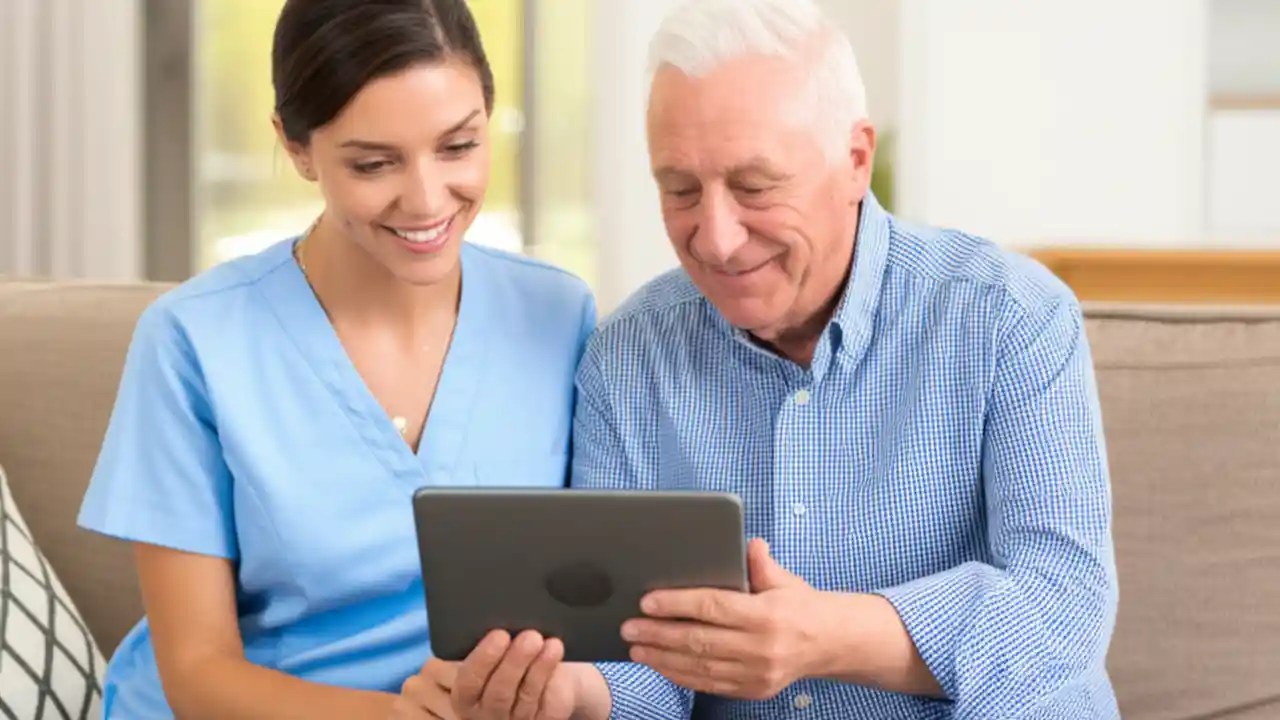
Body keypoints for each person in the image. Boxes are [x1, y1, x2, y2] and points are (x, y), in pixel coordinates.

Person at [398, 0, 1120, 718]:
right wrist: (568, 692)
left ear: (856, 160)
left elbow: (1061, 609)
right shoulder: (630, 357)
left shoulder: (1010, 317)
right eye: (680, 190)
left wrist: (833, 636)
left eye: (755, 187)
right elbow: (642, 658)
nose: (715, 238)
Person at [75, 1, 594, 717]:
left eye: (458, 147)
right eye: (374, 163)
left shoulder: (560, 317)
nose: (426, 199)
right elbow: (195, 674)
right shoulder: (193, 341)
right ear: (296, 148)